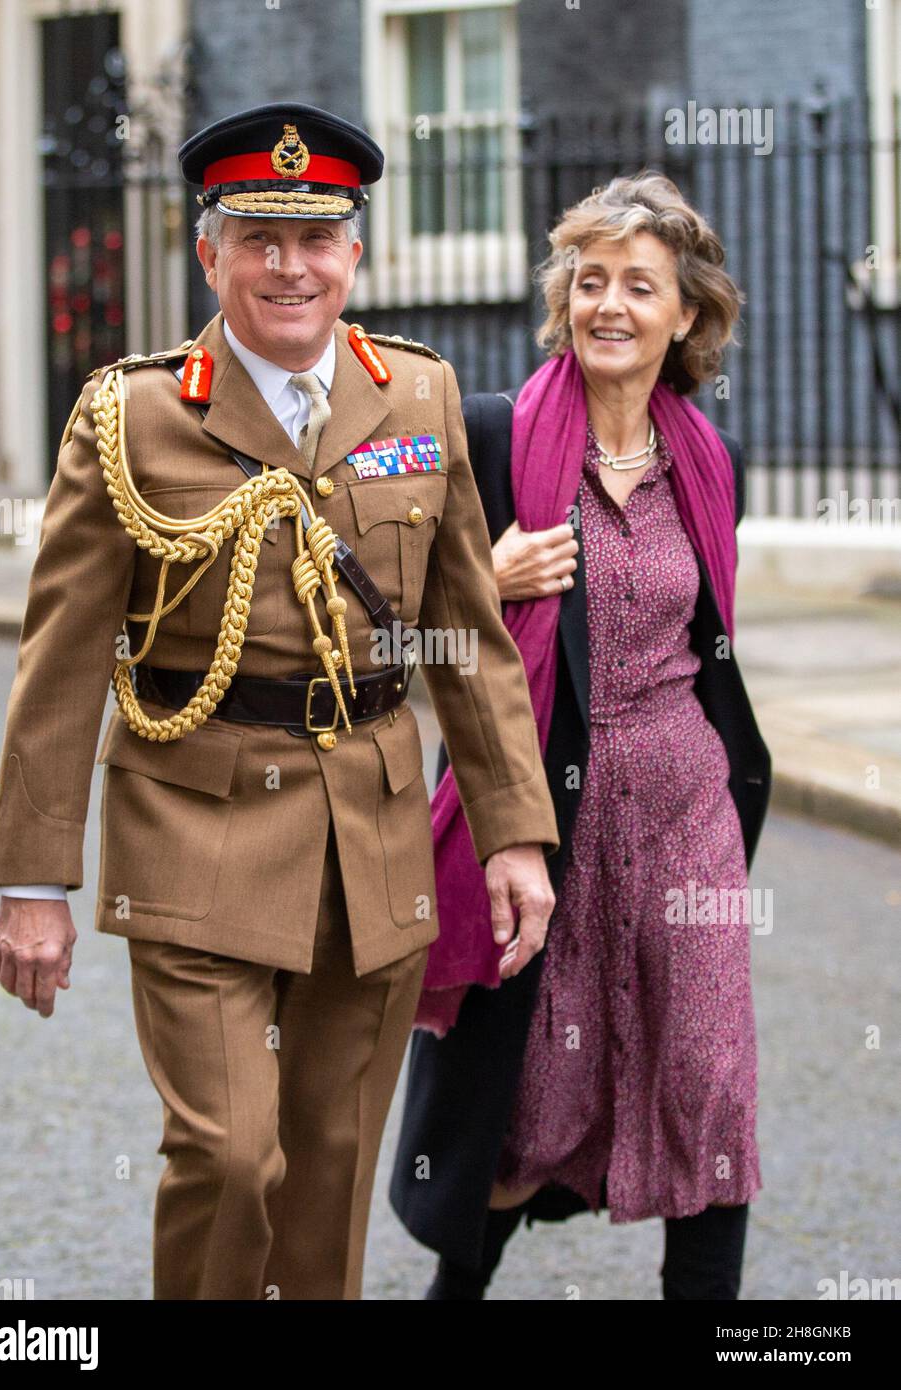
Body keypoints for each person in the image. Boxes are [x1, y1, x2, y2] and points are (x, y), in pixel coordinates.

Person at [0, 102, 559, 1300]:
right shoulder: (133, 414)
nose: (288, 267)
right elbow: (61, 656)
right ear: (210, 255)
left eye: (317, 238)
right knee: (231, 1153)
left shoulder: (418, 398)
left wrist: (512, 832)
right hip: (196, 830)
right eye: (256, 236)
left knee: (330, 1166)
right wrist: (34, 884)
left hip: (370, 835)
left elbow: (469, 639)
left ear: (358, 253)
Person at [389, 171, 773, 1300]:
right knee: (517, 1101)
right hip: (538, 817)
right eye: (589, 279)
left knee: (708, 1080)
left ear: (686, 315)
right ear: (565, 298)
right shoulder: (493, 437)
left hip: (683, 814)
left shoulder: (712, 465)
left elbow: (709, 646)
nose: (610, 304)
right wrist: (481, 578)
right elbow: (365, 619)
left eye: (639, 286)